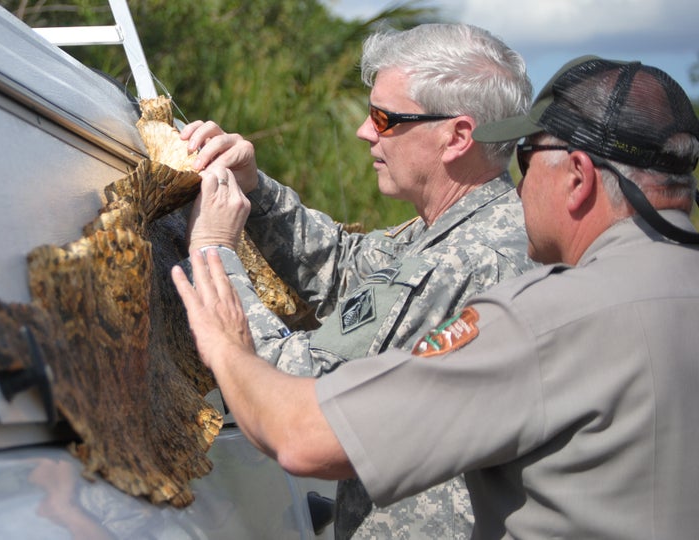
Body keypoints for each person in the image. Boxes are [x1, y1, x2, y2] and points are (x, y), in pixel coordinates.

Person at [172, 55, 699, 539]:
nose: (518, 181)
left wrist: (220, 310)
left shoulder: (542, 312)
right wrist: (256, 192)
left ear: (579, 177)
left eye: (529, 155)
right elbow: (357, 273)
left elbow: (303, 432)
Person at [180, 23, 535, 538]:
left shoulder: (468, 260)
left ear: (457, 136)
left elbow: (300, 391)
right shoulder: (455, 230)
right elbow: (351, 271)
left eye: (385, 119)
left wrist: (213, 252)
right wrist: (257, 190)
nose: (364, 132)